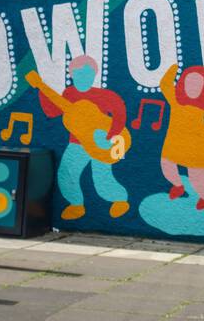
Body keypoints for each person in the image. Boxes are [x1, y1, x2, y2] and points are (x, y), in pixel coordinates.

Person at [26, 54, 129, 221]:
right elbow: (52, 111)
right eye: (79, 73)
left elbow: (119, 111)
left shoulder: (103, 95)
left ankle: (119, 200)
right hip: (77, 144)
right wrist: (41, 88)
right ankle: (76, 204)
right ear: (72, 75)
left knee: (102, 179)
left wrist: (111, 134)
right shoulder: (69, 94)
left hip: (102, 143)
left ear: (94, 75)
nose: (83, 78)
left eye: (87, 74)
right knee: (67, 173)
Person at [157, 63, 204, 209]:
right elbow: (165, 84)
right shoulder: (175, 99)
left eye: (198, 84)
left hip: (196, 148)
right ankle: (178, 186)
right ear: (183, 83)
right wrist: (174, 67)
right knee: (167, 166)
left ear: (203, 88)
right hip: (174, 143)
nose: (193, 87)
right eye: (190, 82)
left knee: (196, 177)